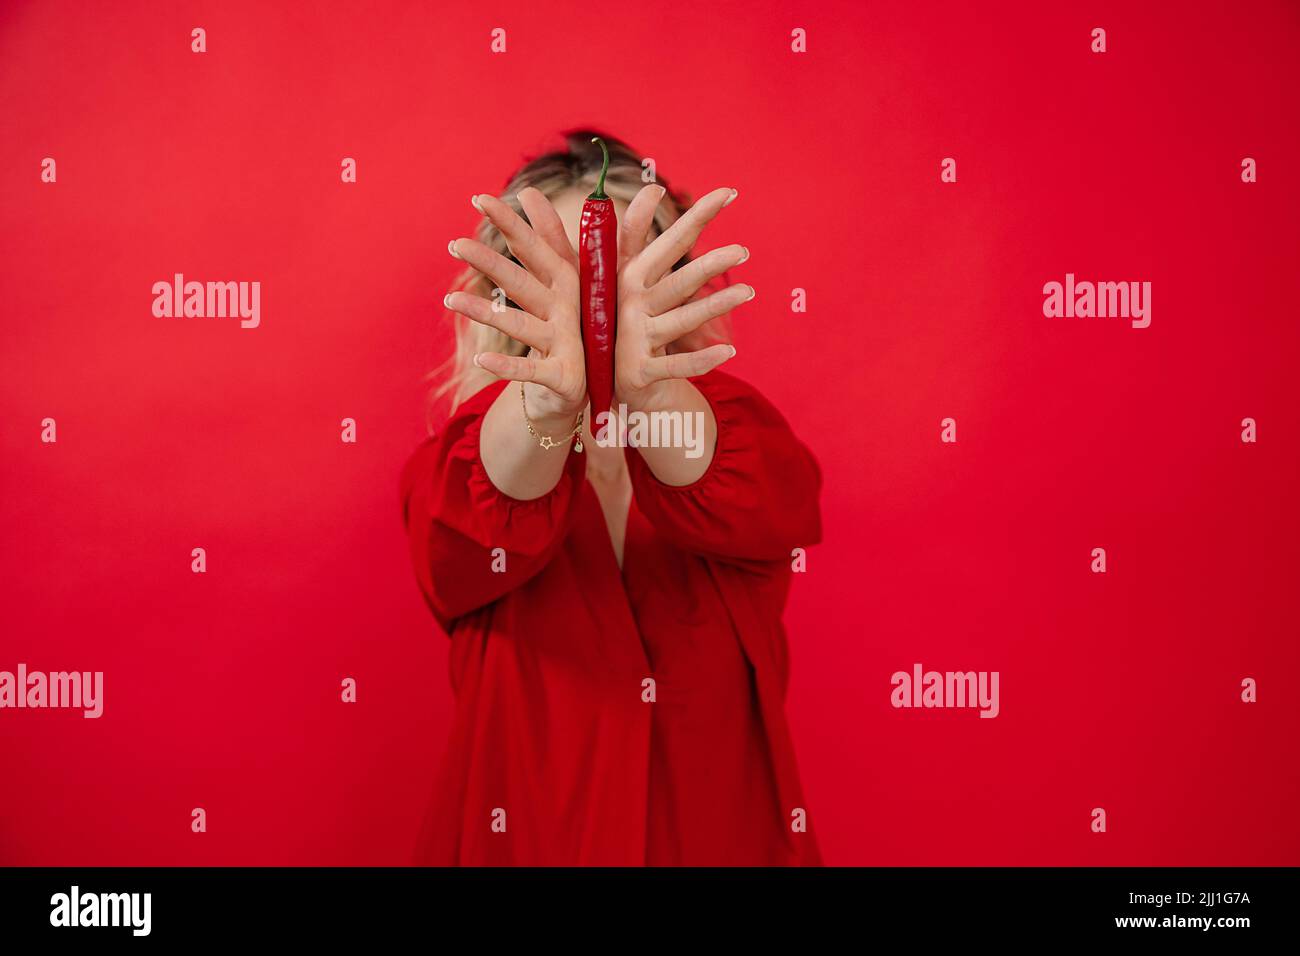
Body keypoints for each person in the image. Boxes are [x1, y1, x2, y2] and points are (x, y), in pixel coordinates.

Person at [400, 131, 823, 865]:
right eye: (547, 275)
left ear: (683, 294)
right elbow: (484, 515)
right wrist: (541, 403)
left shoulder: (747, 447)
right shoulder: (455, 475)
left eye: (628, 278)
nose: (593, 306)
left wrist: (650, 384)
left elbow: (740, 493)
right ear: (496, 301)